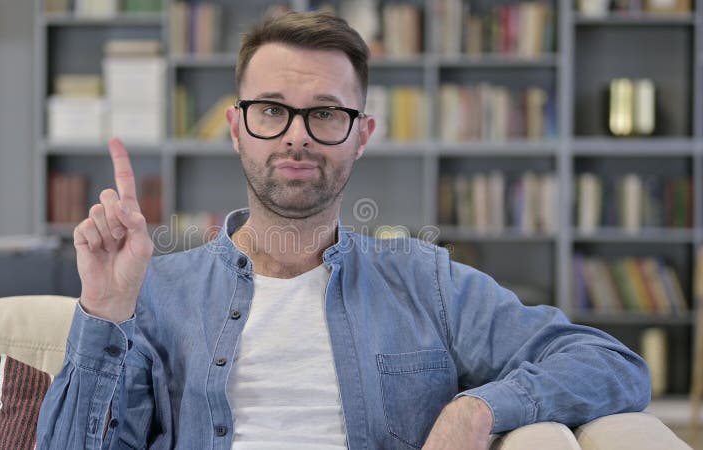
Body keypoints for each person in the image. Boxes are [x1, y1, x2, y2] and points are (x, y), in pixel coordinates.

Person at [36, 11, 650, 450]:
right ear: (235, 128)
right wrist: (105, 309)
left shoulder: (425, 281)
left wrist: (479, 407)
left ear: (361, 134)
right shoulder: (155, 293)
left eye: (326, 112)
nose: (297, 135)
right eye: (271, 110)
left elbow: (610, 363)